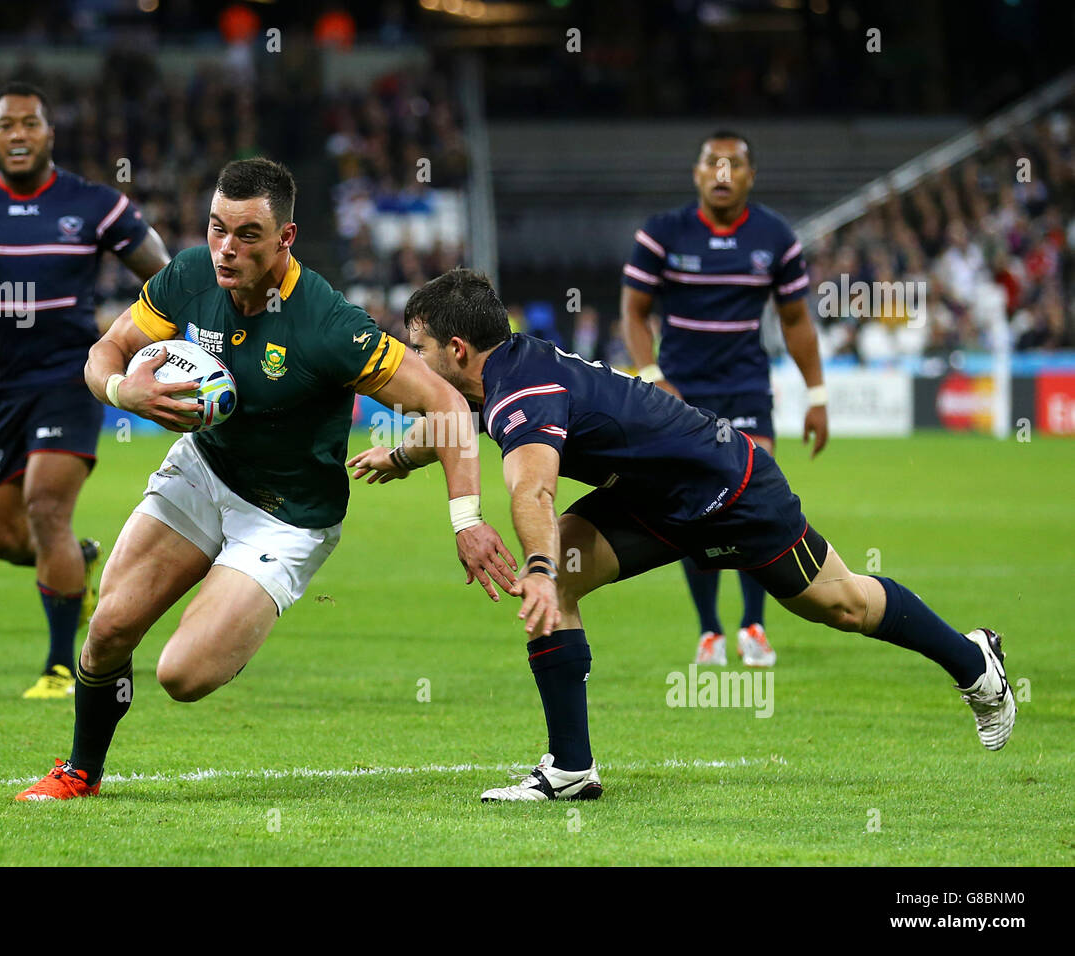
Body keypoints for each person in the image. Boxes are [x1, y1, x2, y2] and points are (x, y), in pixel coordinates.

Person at [351, 268, 1015, 802]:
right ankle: (570, 769)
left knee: (841, 605)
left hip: (731, 488)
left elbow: (533, 490)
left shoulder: (521, 395)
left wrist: (539, 565)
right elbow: (452, 417)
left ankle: (973, 661)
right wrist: (402, 457)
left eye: (418, 347)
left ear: (457, 350)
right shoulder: (494, 372)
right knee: (561, 580)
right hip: (649, 500)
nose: (411, 359)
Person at [15, 160, 516, 800]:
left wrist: (467, 519)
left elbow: (447, 405)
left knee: (182, 674)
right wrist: (123, 390)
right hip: (205, 468)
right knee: (109, 629)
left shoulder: (328, 326)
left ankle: (241, 610)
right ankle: (80, 771)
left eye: (248, 234)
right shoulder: (191, 275)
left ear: (286, 239)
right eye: (218, 228)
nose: (226, 248)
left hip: (287, 513)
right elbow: (103, 354)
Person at [0, 82, 172, 699]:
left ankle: (63, 667)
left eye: (30, 123)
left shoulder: (93, 205)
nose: (19, 134)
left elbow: (163, 275)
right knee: (3, 539)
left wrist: (138, 341)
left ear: (49, 134)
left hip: (68, 378)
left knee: (45, 509)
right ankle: (79, 561)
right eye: (6, 124)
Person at [621, 131, 828, 668]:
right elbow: (634, 311)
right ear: (695, 173)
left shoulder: (775, 236)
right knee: (698, 508)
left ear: (749, 176)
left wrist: (818, 394)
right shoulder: (663, 234)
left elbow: (797, 320)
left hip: (746, 388)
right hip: (682, 393)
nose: (721, 173)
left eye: (733, 164)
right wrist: (651, 374)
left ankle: (753, 625)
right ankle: (710, 631)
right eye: (712, 163)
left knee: (757, 503)